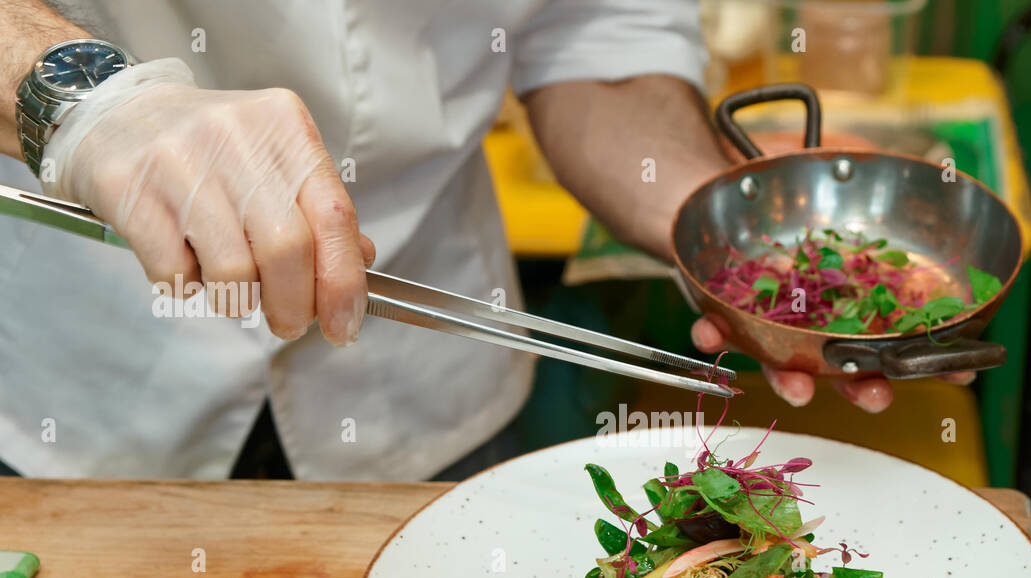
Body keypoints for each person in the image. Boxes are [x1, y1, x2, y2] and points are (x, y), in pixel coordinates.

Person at [0, 0, 968, 482]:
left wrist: (727, 232)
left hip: (427, 376)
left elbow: (598, 36)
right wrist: (80, 100)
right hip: (85, 372)